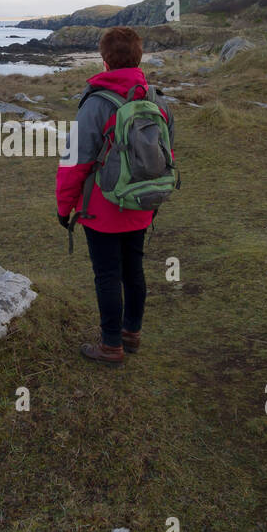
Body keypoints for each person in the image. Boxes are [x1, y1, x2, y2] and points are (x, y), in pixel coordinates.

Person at [56, 26, 175, 365]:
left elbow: (74, 162)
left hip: (102, 208)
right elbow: (167, 150)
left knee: (107, 274)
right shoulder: (156, 98)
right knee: (133, 269)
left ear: (104, 60)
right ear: (139, 57)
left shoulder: (95, 103)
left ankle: (110, 347)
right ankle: (131, 334)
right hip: (142, 202)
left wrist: (64, 207)